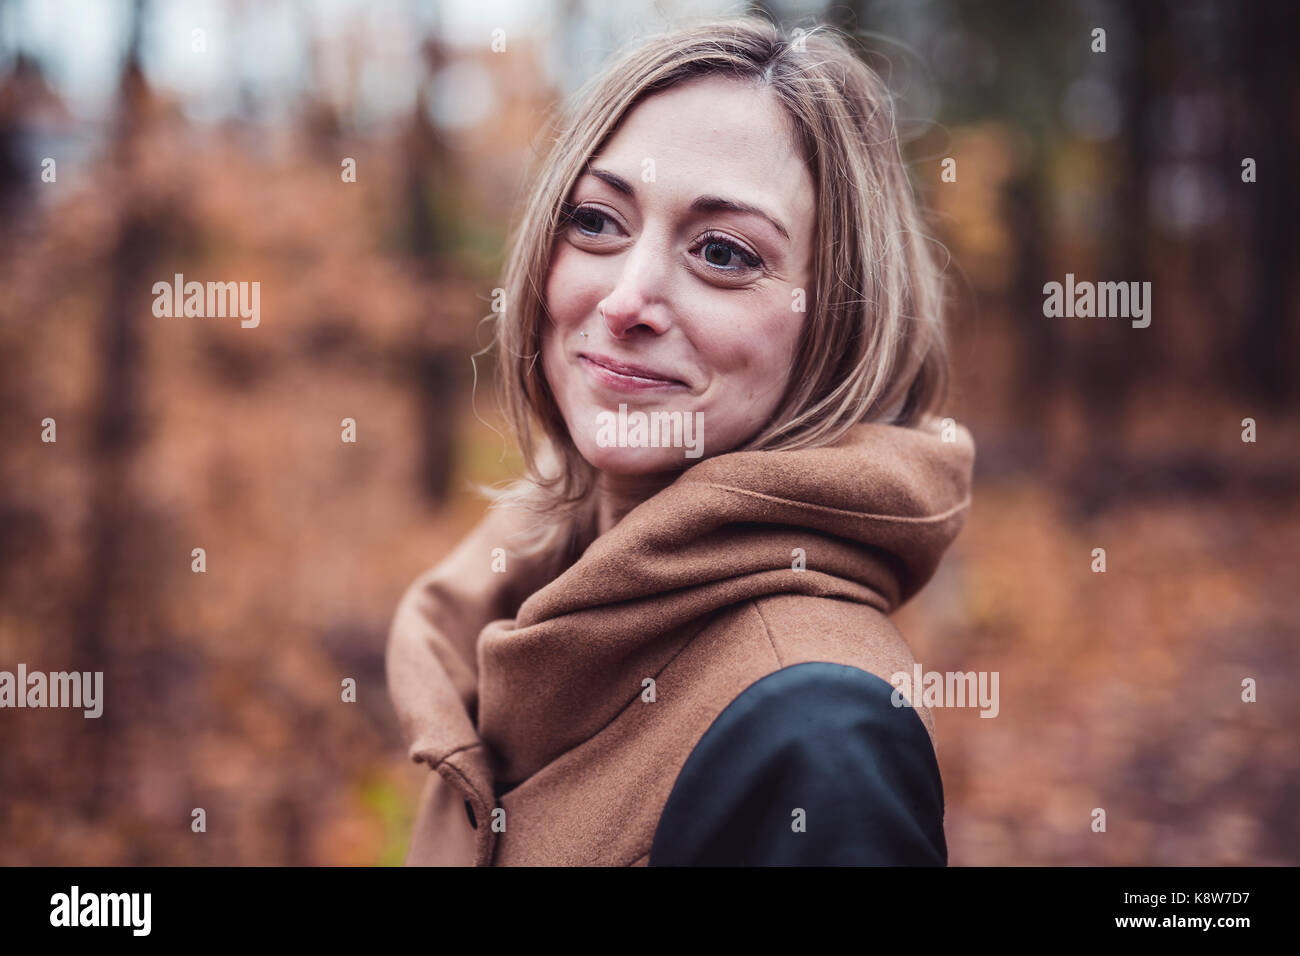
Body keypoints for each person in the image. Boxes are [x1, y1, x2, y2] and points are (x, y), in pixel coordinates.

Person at [385, 14, 974, 866]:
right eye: (595, 220)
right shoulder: (507, 598)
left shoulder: (815, 736)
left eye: (724, 253)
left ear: (839, 323)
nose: (627, 299)